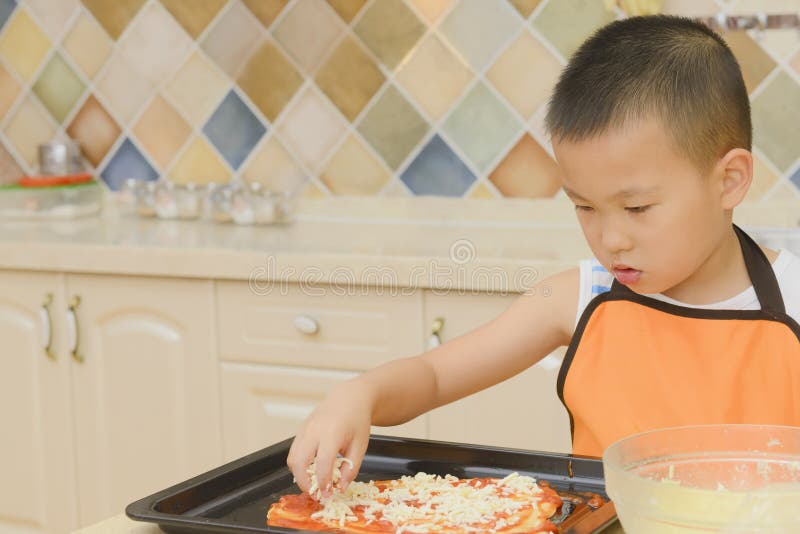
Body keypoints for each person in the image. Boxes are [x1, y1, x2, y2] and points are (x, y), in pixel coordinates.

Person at [287, 15, 800, 498]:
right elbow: (436, 375)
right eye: (584, 206)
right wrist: (361, 395)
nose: (610, 238)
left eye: (638, 207)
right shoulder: (578, 296)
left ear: (729, 180)